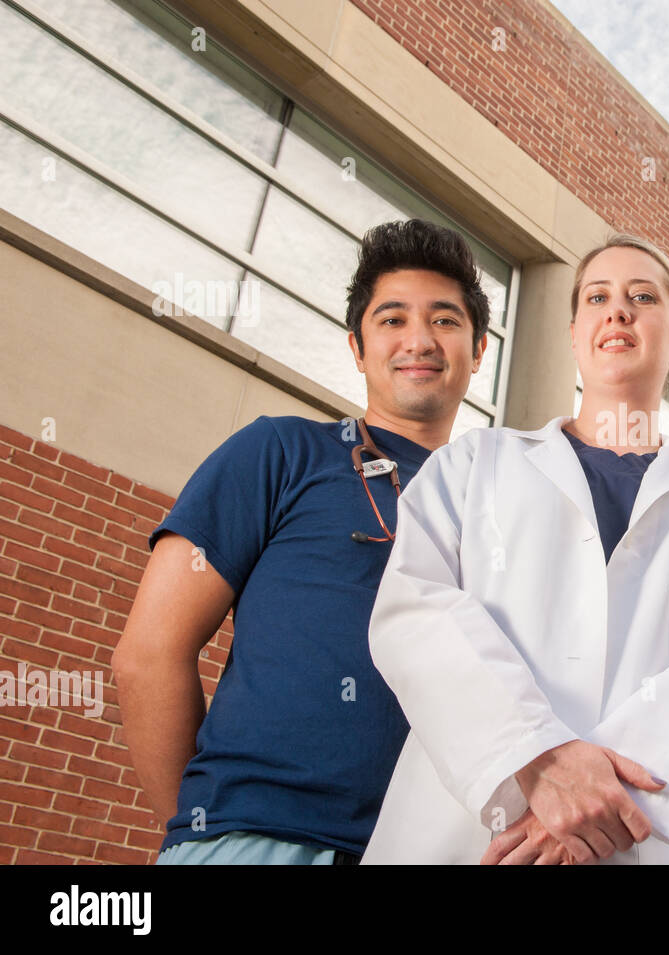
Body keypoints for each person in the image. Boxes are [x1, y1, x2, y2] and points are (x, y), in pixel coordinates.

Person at [361, 234, 669, 864]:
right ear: (573, 333)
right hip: (481, 831)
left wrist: (599, 798)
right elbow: (414, 610)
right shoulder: (473, 465)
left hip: (641, 831)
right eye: (598, 297)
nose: (618, 311)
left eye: (642, 297)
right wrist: (536, 756)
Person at [113, 220, 490, 864]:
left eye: (446, 321)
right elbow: (149, 655)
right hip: (261, 843)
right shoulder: (280, 451)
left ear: (477, 350)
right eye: (393, 319)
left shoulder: (502, 504)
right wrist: (207, 827)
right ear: (357, 345)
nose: (419, 340)